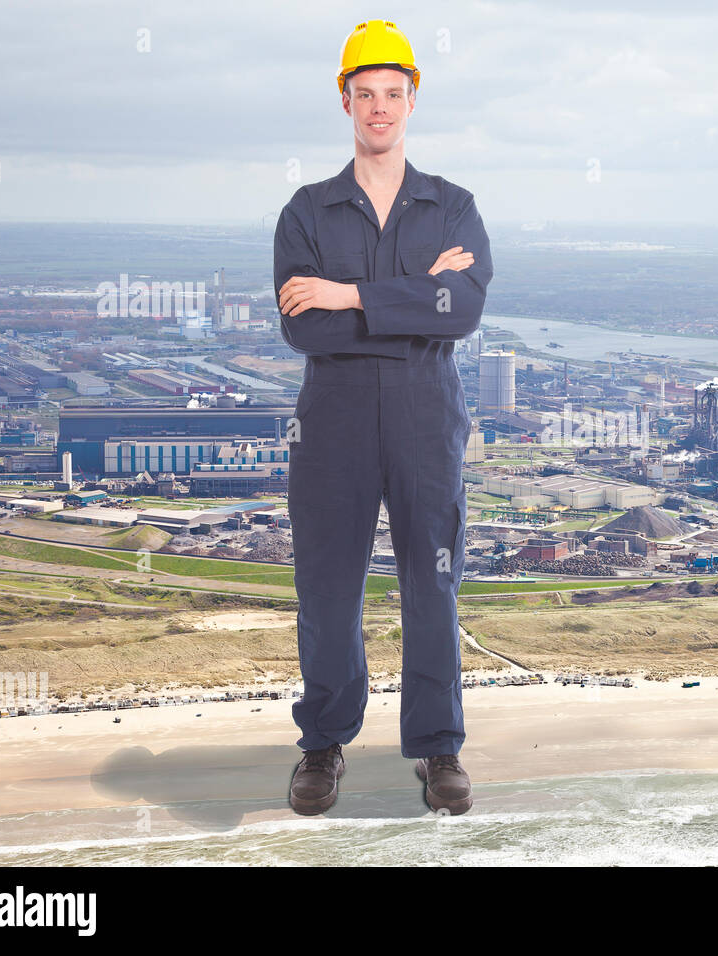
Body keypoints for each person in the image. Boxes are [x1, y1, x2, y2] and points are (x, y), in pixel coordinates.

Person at [273, 19, 492, 816]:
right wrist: (412, 295)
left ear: (411, 101)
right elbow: (304, 326)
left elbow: (461, 310)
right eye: (364, 94)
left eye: (392, 94)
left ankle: (439, 751)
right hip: (331, 424)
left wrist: (352, 292)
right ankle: (324, 743)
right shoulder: (307, 211)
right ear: (345, 101)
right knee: (327, 587)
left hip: (425, 421)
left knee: (432, 587)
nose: (379, 108)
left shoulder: (453, 207)